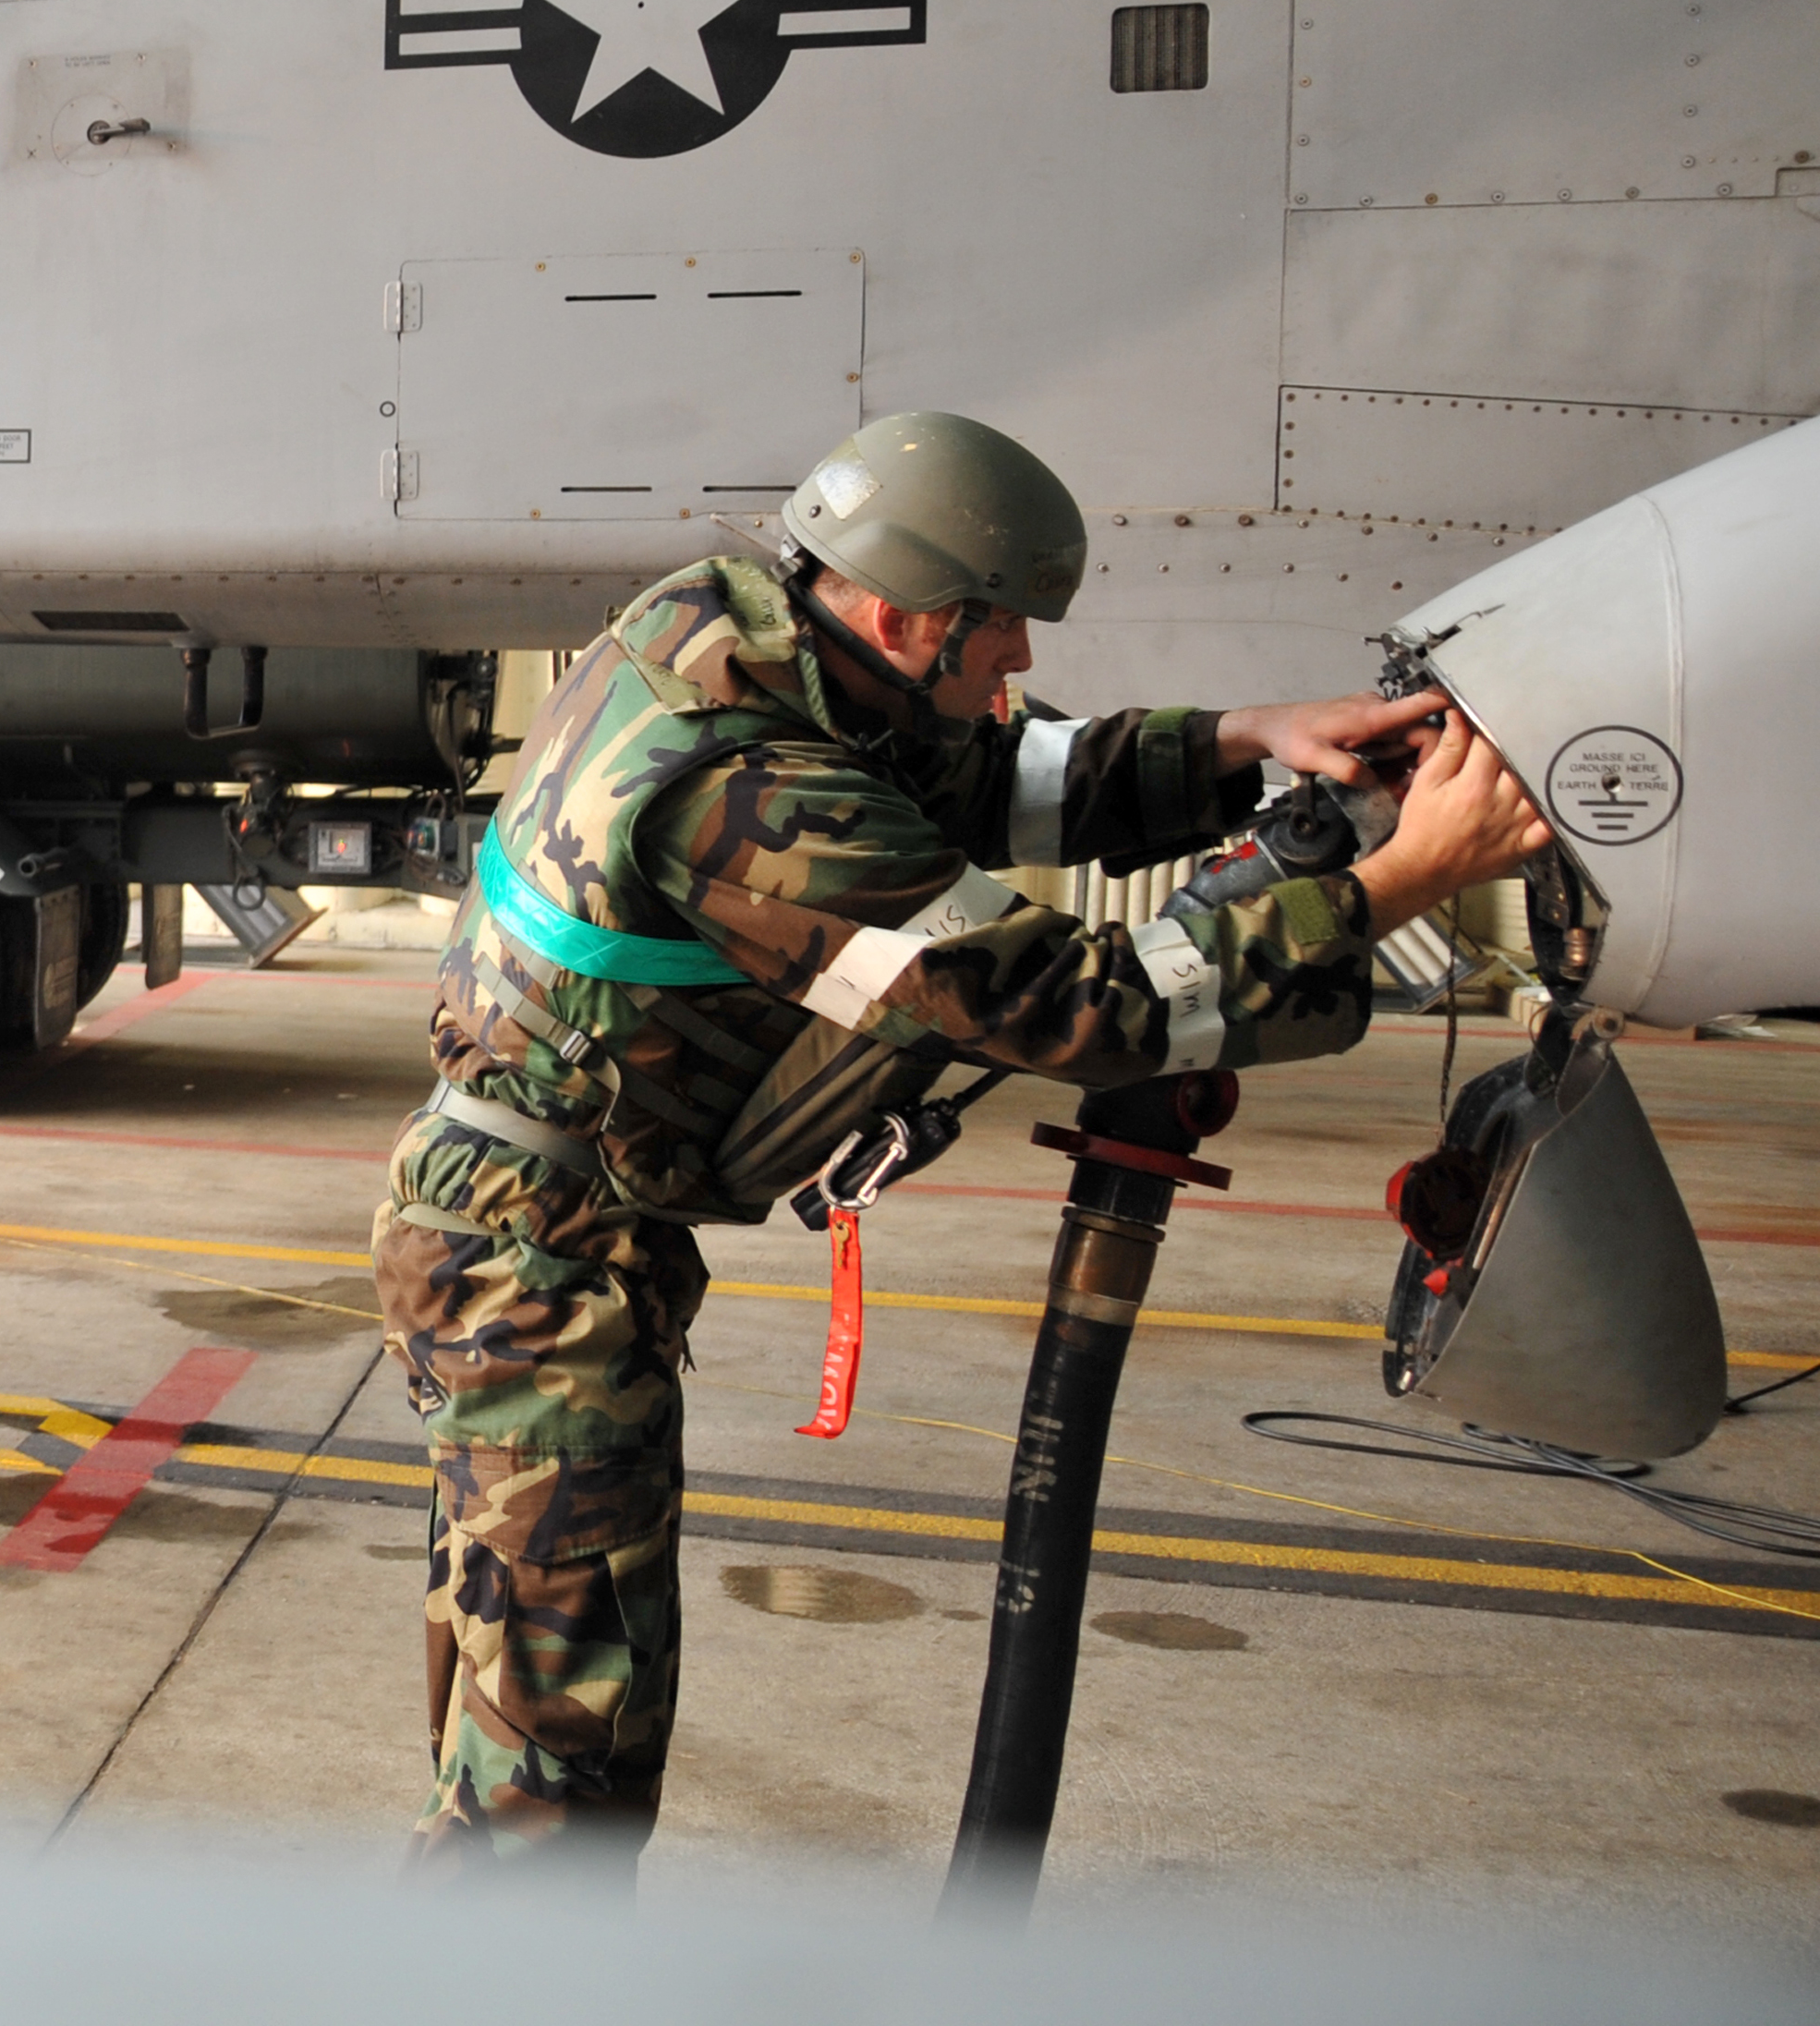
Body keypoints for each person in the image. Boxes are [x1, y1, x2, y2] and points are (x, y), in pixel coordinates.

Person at [373, 412, 1547, 1868]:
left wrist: (1248, 743)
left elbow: (978, 779)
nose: (1024, 658)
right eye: (1002, 626)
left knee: (522, 1728)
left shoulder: (727, 632)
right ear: (902, 617)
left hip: (520, 1231)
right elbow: (1077, 1005)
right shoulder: (748, 797)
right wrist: (1407, 879)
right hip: (534, 1273)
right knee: (561, 1774)